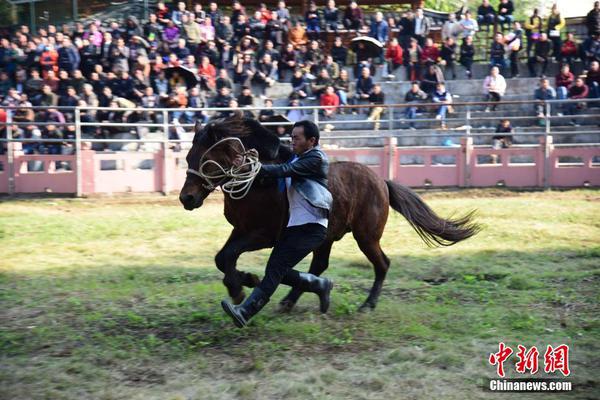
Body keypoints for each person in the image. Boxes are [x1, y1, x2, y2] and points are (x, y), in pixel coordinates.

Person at [221, 120, 334, 328]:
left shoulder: (316, 158)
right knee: (279, 271)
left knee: (274, 270)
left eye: (297, 138)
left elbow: (283, 170)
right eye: (291, 138)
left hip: (312, 228)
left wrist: (253, 167)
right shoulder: (299, 157)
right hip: (296, 228)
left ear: (312, 141)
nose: (293, 142)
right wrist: (245, 166)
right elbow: (275, 172)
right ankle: (320, 284)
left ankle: (245, 312)